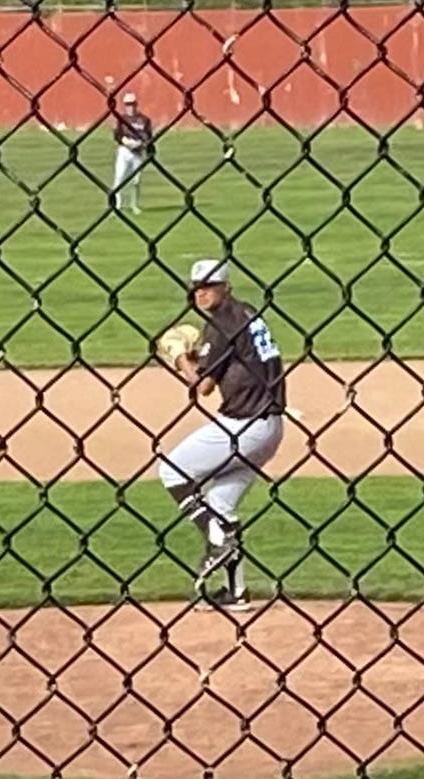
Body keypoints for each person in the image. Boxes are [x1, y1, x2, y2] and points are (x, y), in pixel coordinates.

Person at [152, 253, 291, 610]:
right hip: (270, 428)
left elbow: (203, 386)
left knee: (171, 470)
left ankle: (217, 543)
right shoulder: (245, 313)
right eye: (196, 287)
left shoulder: (223, 321)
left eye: (208, 286)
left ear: (225, 286)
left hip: (243, 425)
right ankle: (236, 592)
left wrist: (180, 357)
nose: (201, 293)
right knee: (220, 504)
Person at [106, 86, 159, 213]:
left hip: (138, 153)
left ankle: (134, 205)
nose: (130, 107)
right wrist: (124, 141)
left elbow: (149, 136)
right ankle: (117, 205)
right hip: (124, 151)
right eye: (128, 104)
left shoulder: (144, 120)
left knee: (136, 181)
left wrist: (142, 144)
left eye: (132, 104)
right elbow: (117, 135)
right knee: (119, 179)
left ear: (136, 104)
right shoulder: (121, 119)